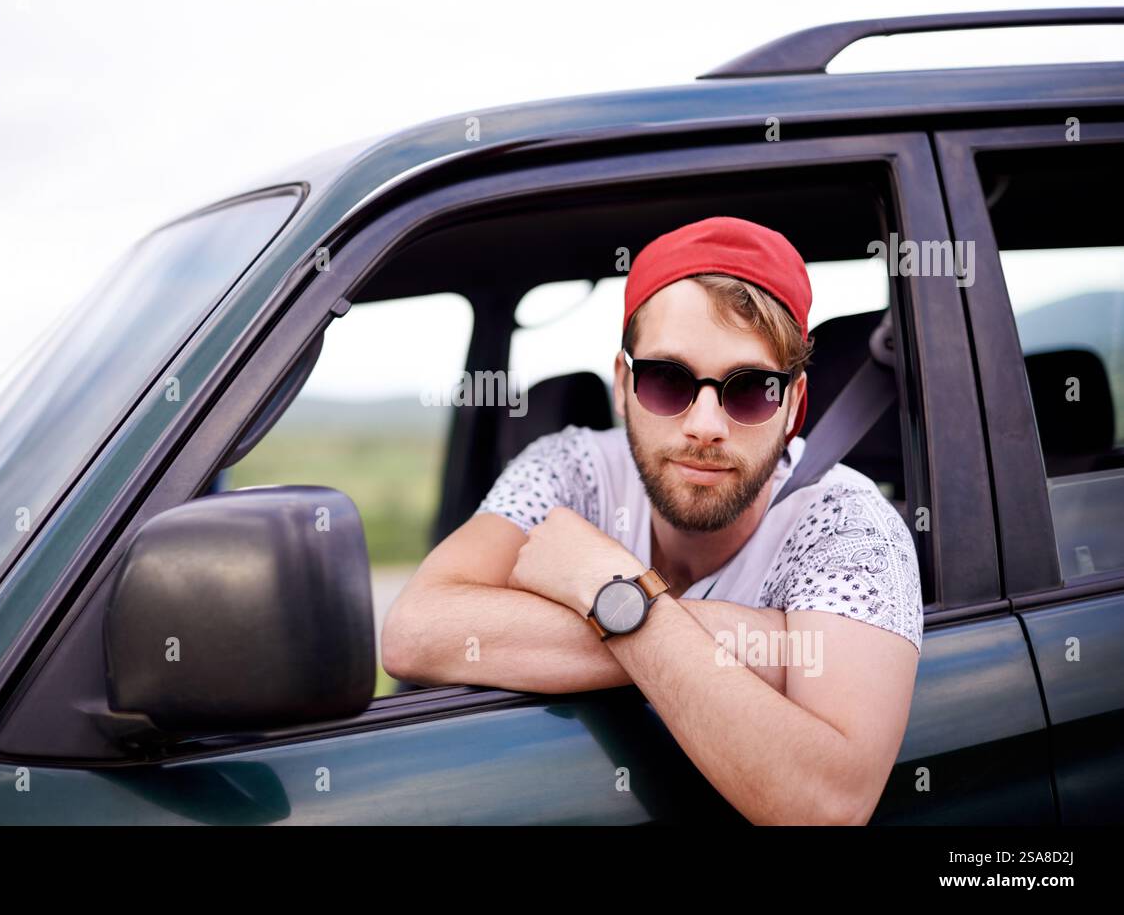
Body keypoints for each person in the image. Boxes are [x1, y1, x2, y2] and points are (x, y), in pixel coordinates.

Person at [380, 216, 923, 825]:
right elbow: (414, 631)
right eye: (668, 381)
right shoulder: (571, 470)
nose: (706, 424)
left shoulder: (848, 527)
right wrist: (762, 641)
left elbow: (827, 807)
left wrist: (610, 588)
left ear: (794, 403)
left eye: (751, 390)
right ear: (622, 384)